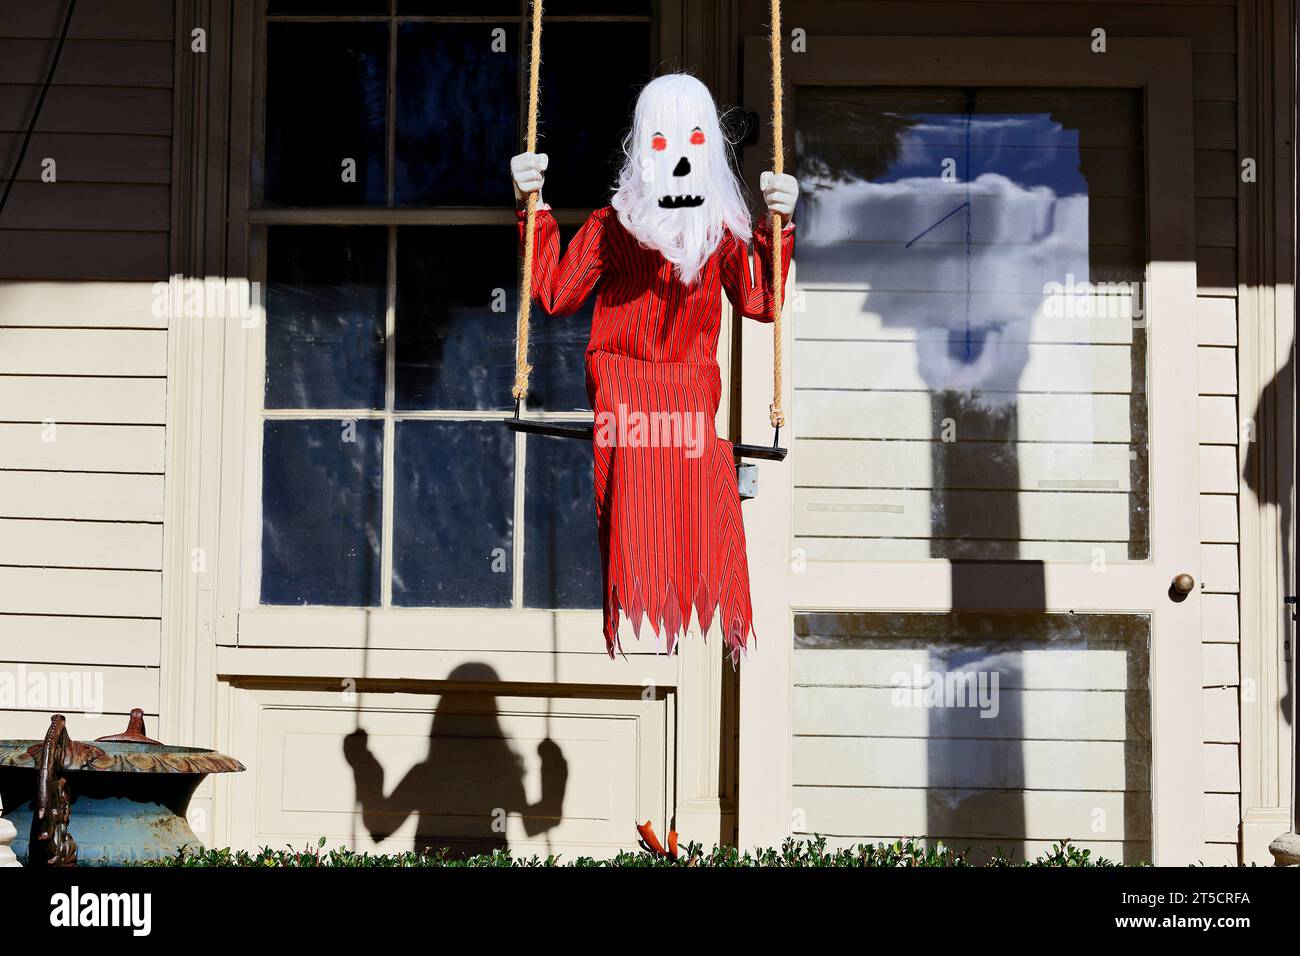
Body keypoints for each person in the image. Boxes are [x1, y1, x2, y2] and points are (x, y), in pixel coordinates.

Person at [510, 73, 798, 661]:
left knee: (688, 498)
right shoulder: (611, 227)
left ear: (709, 152)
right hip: (625, 392)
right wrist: (533, 210)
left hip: (689, 396)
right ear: (643, 151)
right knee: (637, 507)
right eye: (663, 146)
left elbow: (760, 302)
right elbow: (557, 295)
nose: (680, 163)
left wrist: (778, 227)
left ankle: (678, 587)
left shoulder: (717, 233)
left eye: (692, 143)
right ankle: (642, 590)